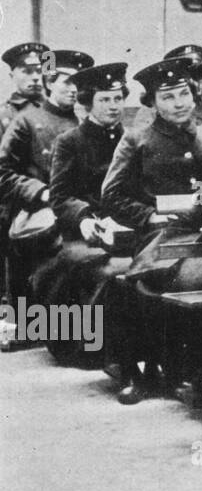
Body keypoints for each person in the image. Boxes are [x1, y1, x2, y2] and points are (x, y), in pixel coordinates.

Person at [101, 58, 202, 403]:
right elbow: (111, 195)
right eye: (168, 97)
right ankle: (153, 369)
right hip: (159, 236)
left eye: (183, 93)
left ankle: (199, 369)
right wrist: (149, 216)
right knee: (165, 282)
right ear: (152, 103)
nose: (179, 103)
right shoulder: (136, 139)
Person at [32, 62, 132, 363]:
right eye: (104, 99)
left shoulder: (132, 138)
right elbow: (60, 197)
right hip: (82, 232)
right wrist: (85, 218)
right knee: (105, 271)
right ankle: (92, 349)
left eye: (118, 98)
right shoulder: (70, 142)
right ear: (87, 103)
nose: (114, 106)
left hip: (126, 229)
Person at [0, 49, 94, 305]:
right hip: (40, 214)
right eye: (67, 82)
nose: (75, 89)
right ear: (50, 83)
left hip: (82, 212)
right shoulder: (26, 121)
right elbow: (3, 172)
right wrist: (40, 191)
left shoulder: (87, 122)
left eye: (79, 83)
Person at [1, 42, 49, 134]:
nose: (35, 77)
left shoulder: (56, 109)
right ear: (12, 76)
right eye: (27, 71)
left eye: (39, 71)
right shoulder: (3, 114)